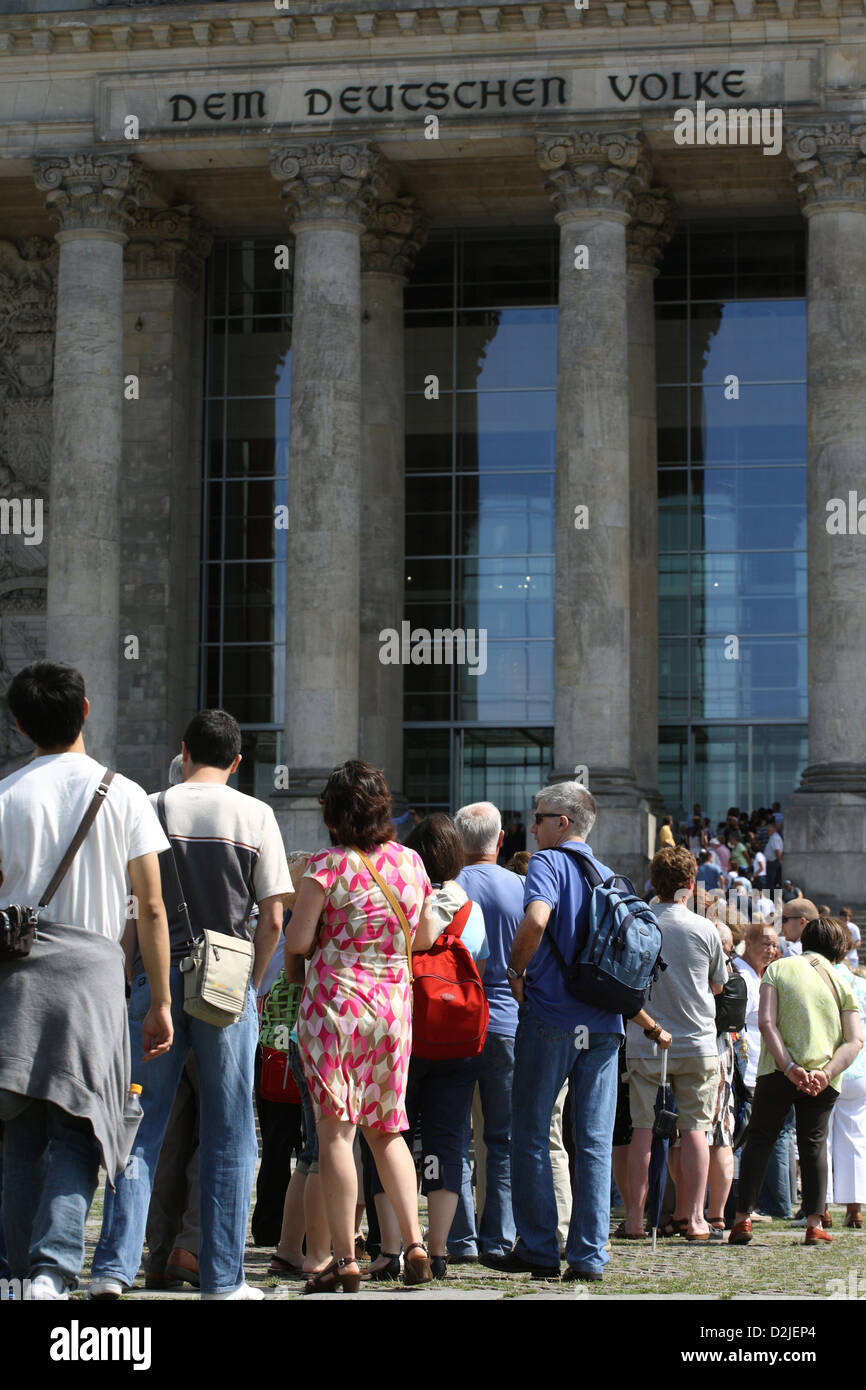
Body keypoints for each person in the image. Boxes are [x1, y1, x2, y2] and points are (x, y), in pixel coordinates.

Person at [92, 708, 291, 1300]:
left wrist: (130, 979)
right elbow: (274, 919)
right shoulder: (257, 814)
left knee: (138, 1125)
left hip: (153, 984)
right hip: (225, 991)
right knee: (230, 1132)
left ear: (183, 751)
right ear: (237, 761)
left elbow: (136, 911)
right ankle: (223, 1279)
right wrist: (251, 987)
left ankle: (112, 1268)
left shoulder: (149, 807)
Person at [0, 661, 173, 1300]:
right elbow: (151, 907)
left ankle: (14, 1272)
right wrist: (158, 999)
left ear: (20, 724)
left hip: (18, 977)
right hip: (94, 979)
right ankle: (52, 1269)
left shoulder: (6, 794)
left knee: (18, 1125)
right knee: (79, 1125)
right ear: (87, 711)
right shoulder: (123, 793)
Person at [283, 760, 443, 1291]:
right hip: (393, 1011)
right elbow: (420, 939)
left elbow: (299, 942)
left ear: (333, 813)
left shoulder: (326, 867)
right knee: (388, 1131)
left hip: (334, 1008)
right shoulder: (412, 863)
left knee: (336, 1133)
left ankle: (345, 1258)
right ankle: (415, 1243)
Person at [495, 781, 625, 1283]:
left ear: (563, 823)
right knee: (592, 1140)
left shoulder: (549, 863)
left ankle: (540, 1248)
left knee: (530, 1131)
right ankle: (590, 1255)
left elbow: (535, 918)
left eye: (540, 815)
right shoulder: (610, 875)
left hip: (552, 1016)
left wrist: (515, 970)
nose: (532, 824)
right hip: (606, 1023)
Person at [372, 813, 488, 1279]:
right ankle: (438, 1250)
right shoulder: (469, 909)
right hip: (457, 1039)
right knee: (448, 1139)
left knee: (388, 1135)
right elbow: (476, 957)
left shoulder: (403, 901)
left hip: (404, 1035)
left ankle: (391, 1247)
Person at [730, 917, 863, 1246]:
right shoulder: (844, 981)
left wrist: (788, 1066)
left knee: (760, 1138)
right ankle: (815, 1222)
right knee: (814, 1143)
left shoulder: (779, 968)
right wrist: (826, 1072)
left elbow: (766, 1022)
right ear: (838, 947)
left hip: (777, 1069)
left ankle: (742, 1218)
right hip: (823, 1075)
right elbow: (854, 1041)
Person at [625, 846, 727, 1242]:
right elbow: (718, 985)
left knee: (643, 1131)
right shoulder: (704, 928)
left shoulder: (637, 922)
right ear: (690, 883)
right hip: (697, 1040)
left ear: (654, 882)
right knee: (696, 1130)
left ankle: (635, 1219)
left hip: (646, 1038)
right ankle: (697, 1218)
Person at [450, 801, 524, 1262]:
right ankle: (498, 1238)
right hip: (509, 1021)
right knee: (503, 1137)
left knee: (455, 1136)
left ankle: (458, 1238)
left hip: (456, 1022)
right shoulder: (522, 886)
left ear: (459, 843)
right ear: (500, 840)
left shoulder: (450, 889)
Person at [827, 927, 866, 1228]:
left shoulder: (820, 978)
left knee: (821, 1138)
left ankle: (820, 1207)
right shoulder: (860, 984)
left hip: (827, 1065)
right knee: (854, 1138)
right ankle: (855, 1208)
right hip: (858, 1067)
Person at [765, 821, 784, 896]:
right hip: (773, 862)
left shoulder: (774, 838)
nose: (767, 831)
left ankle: (772, 897)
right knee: (771, 881)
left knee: (771, 881)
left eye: (769, 830)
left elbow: (777, 850)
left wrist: (779, 860)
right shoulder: (773, 837)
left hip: (773, 862)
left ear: (773, 830)